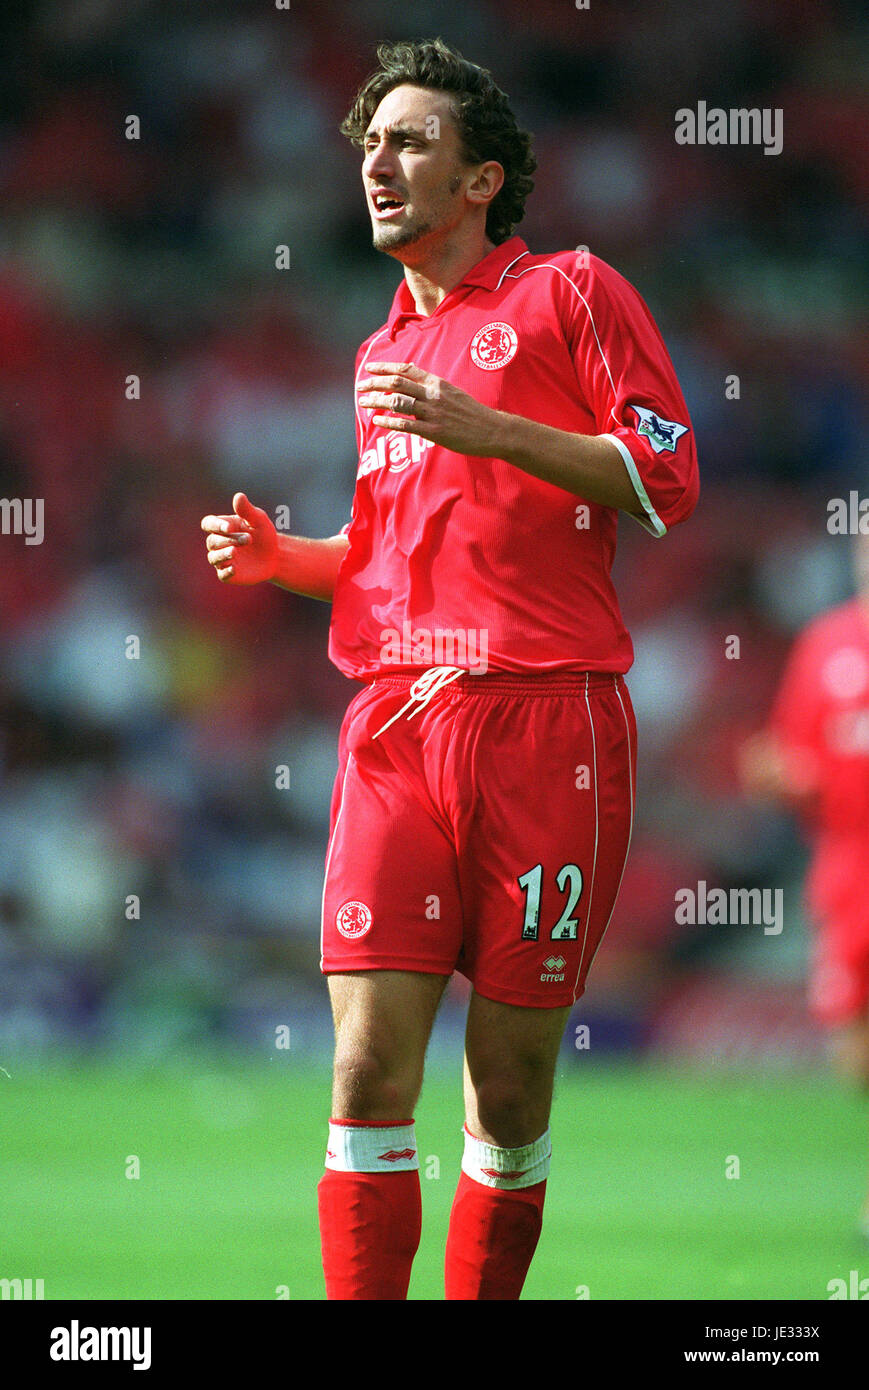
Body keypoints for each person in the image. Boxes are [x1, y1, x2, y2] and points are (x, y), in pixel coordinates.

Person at [201, 38, 698, 1299]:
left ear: (481, 179)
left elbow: (664, 477)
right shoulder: (377, 357)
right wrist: (288, 559)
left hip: (550, 723)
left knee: (510, 1086)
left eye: (409, 140)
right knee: (366, 1070)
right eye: (367, 143)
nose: (377, 162)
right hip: (396, 728)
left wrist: (493, 427)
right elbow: (386, 559)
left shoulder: (574, 292)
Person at [740, 532, 869, 1241]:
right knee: (852, 1047)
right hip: (845, 868)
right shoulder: (825, 643)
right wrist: (776, 774)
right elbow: (789, 751)